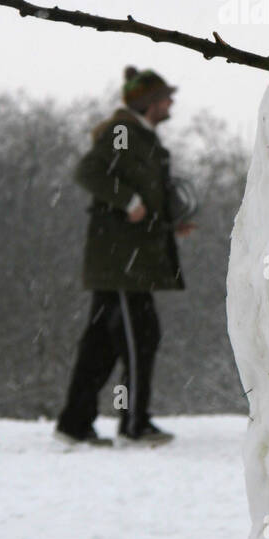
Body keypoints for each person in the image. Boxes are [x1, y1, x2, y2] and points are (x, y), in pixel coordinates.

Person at [55, 67, 195, 448]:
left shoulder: (146, 139)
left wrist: (171, 222)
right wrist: (128, 200)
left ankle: (74, 425)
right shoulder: (124, 133)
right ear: (149, 103)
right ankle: (134, 425)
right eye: (166, 97)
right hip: (121, 262)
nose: (171, 103)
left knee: (101, 346)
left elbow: (149, 193)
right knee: (140, 337)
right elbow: (88, 170)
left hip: (129, 261)